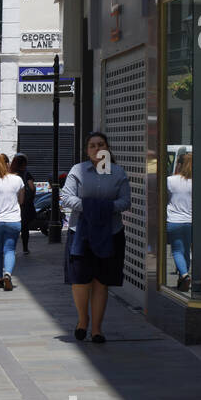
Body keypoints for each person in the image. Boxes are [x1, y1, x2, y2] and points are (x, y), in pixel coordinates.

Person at [61, 131, 131, 342]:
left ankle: (97, 329)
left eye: (101, 144)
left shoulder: (118, 173)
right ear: (86, 150)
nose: (97, 148)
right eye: (92, 145)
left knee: (102, 282)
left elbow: (125, 201)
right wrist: (90, 208)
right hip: (81, 233)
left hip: (111, 233)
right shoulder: (78, 170)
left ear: (107, 147)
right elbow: (66, 197)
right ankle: (83, 320)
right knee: (81, 280)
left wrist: (104, 208)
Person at [0, 153, 25, 290]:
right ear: (7, 164)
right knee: (10, 250)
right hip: (13, 220)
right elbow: (21, 200)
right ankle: (8, 274)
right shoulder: (17, 180)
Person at [166, 150, 192, 292]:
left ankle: (184, 275)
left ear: (180, 164)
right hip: (190, 220)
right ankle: (184, 278)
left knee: (177, 250)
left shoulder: (171, 180)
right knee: (186, 251)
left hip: (174, 220)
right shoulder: (196, 182)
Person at [11, 154, 37, 253]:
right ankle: (25, 248)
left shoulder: (10, 174)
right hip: (24, 205)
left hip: (12, 203)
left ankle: (11, 247)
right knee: (25, 227)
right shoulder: (26, 174)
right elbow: (32, 188)